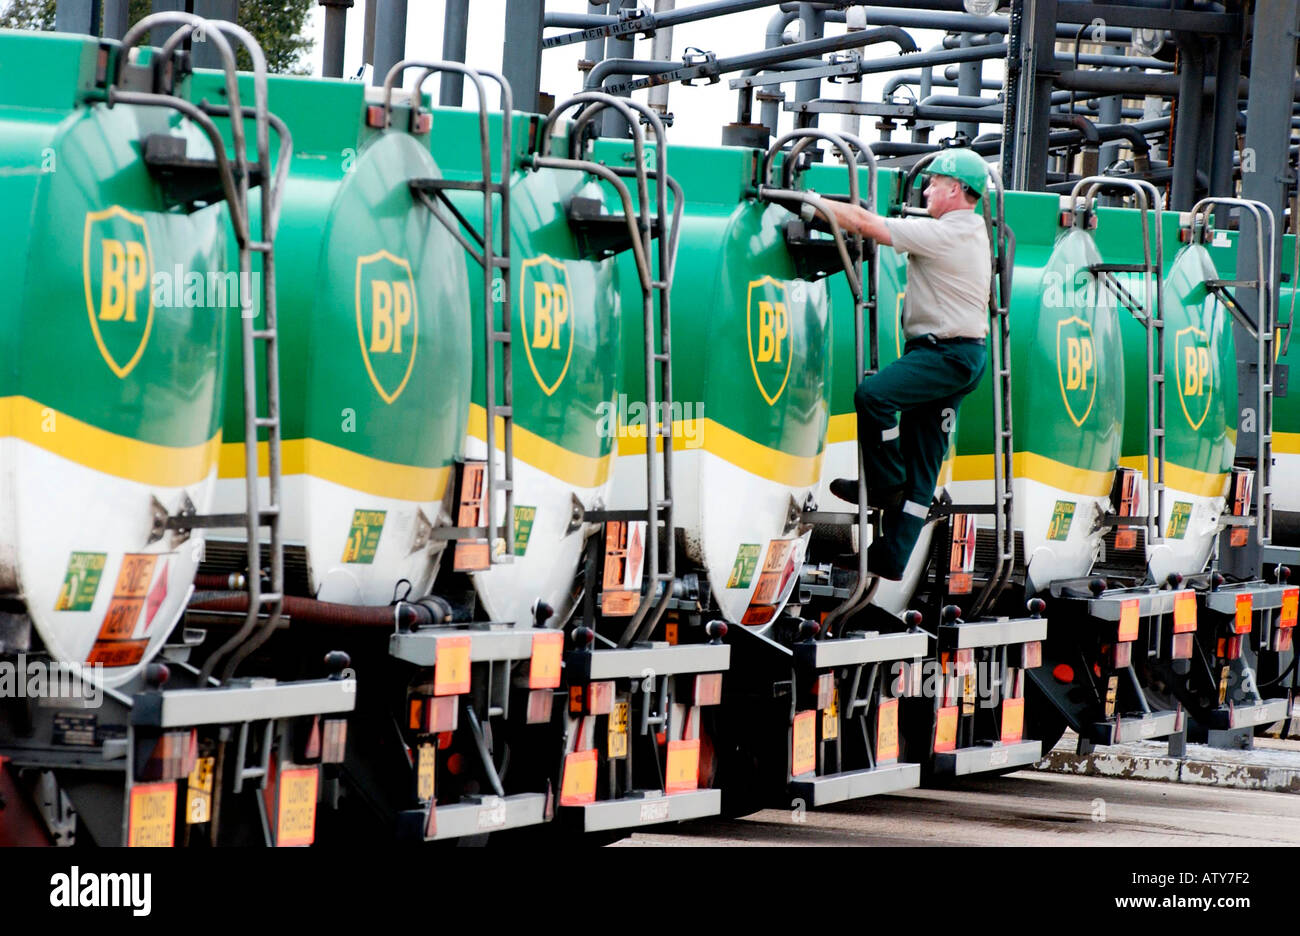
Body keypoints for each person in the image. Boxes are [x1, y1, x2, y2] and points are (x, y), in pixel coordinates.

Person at [818, 147, 992, 581]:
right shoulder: (970, 231)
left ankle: (885, 485)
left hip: (944, 354)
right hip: (960, 355)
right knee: (925, 467)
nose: (927, 189)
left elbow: (865, 224)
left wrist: (812, 201)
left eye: (933, 183)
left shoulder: (947, 233)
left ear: (955, 190)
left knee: (874, 396)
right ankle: (892, 558)